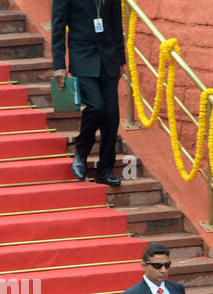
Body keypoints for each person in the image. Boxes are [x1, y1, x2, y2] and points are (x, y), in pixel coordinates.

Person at [51, 0, 125, 186]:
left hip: (108, 58)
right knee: (96, 106)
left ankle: (105, 169)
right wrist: (59, 65)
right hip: (82, 56)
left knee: (111, 115)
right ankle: (81, 152)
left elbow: (117, 22)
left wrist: (120, 58)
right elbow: (58, 26)